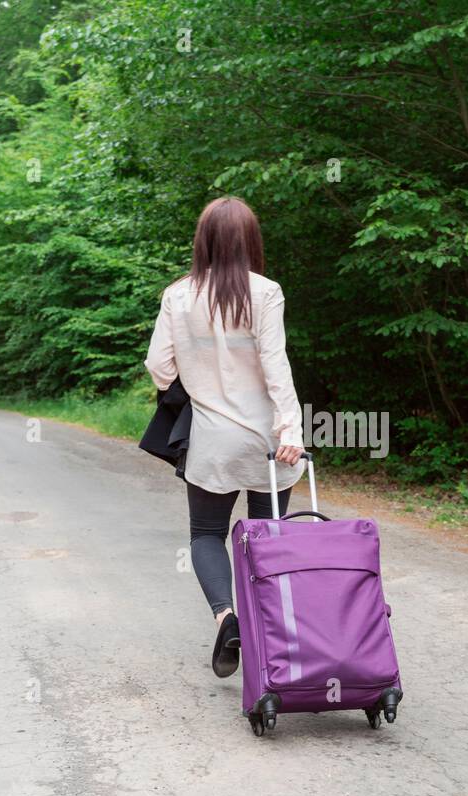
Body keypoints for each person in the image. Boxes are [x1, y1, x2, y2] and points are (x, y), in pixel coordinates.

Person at [144, 196, 306, 678]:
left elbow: (158, 366)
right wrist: (291, 428)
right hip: (267, 440)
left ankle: (227, 617)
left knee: (207, 535)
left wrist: (196, 384)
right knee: (268, 537)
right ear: (250, 239)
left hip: (213, 439)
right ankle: (274, 642)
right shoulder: (266, 291)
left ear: (204, 240)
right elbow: (276, 364)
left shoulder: (178, 295)